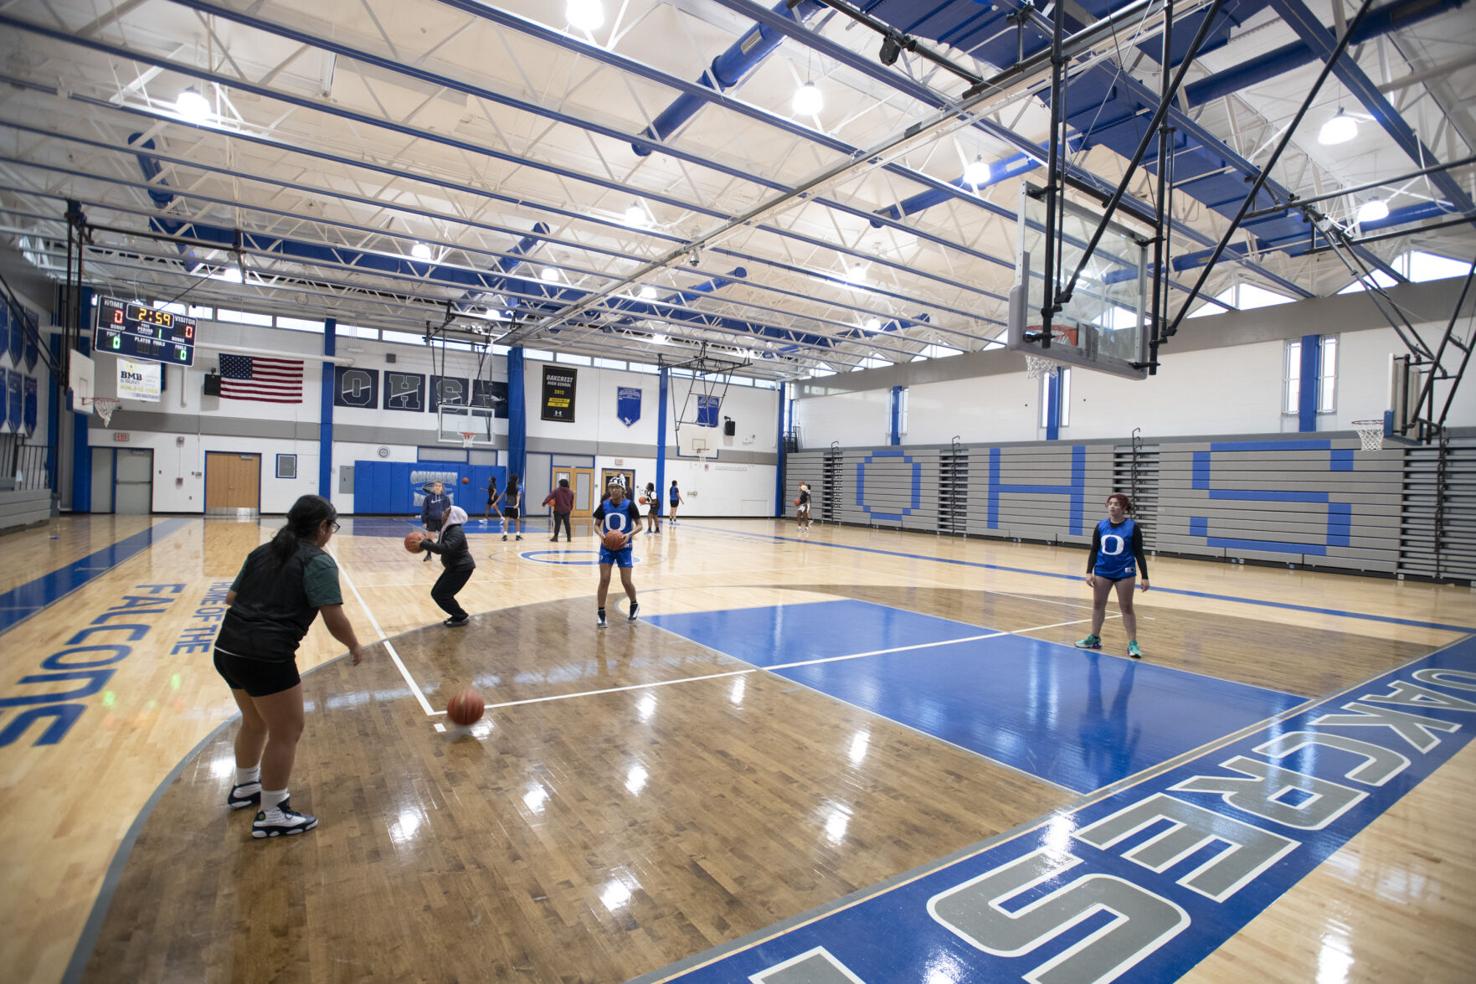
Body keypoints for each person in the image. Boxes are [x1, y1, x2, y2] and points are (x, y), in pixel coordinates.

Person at [214, 494, 367, 839]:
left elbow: (231, 598)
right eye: (332, 526)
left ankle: (245, 788)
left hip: (227, 650)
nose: (332, 533)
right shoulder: (318, 562)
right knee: (287, 732)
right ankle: (273, 811)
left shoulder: (262, 552)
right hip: (266, 657)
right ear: (322, 527)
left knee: (253, 722)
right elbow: (333, 616)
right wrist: (354, 644)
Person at [1076, 493, 1150, 658]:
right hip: (1103, 570)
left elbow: (1139, 553)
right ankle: (1094, 638)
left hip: (1124, 572)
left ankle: (1133, 643)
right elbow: (1094, 549)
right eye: (1110, 503)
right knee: (1097, 605)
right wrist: (1089, 571)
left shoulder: (1132, 527)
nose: (1112, 506)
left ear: (1123, 508)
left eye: (1116, 504)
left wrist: (1145, 576)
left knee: (1126, 607)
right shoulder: (1101, 526)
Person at [593, 481, 642, 628]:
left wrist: (628, 535)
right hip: (607, 546)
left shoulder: (630, 505)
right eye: (611, 488)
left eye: (616, 488)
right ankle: (601, 613)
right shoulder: (604, 505)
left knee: (626, 581)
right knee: (604, 579)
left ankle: (634, 604)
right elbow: (596, 524)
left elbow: (640, 525)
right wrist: (602, 535)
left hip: (624, 546)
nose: (613, 490)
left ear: (622, 490)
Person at [418, 505, 475, 626]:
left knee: (442, 595)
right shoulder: (447, 530)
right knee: (437, 593)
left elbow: (444, 548)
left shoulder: (456, 531)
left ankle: (461, 617)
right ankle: (458, 615)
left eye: (446, 513)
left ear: (452, 517)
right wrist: (426, 541)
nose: (443, 514)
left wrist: (423, 544)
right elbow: (438, 546)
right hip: (454, 567)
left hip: (462, 568)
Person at [421, 479, 450, 563]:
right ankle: (428, 555)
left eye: (439, 486)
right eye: (436, 486)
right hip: (431, 520)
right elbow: (424, 510)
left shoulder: (445, 498)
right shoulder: (428, 498)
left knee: (444, 539)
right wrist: (424, 521)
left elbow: (448, 511)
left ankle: (444, 556)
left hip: (442, 521)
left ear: (442, 488)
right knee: (429, 538)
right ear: (433, 487)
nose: (438, 487)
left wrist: (447, 522)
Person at [543, 478, 575, 542]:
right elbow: (571, 502)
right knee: (567, 524)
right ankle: (569, 538)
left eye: (559, 484)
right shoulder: (571, 492)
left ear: (561, 484)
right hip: (567, 510)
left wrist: (544, 502)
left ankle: (556, 537)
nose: (559, 485)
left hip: (558, 510)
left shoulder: (557, 491)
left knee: (557, 524)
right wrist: (570, 508)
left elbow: (550, 497)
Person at [500, 474, 523, 541]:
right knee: (517, 520)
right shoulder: (518, 487)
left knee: (506, 520)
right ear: (516, 480)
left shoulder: (507, 486)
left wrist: (496, 502)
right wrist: (517, 503)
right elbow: (518, 495)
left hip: (507, 505)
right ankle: (517, 535)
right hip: (514, 506)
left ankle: (505, 535)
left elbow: (502, 494)